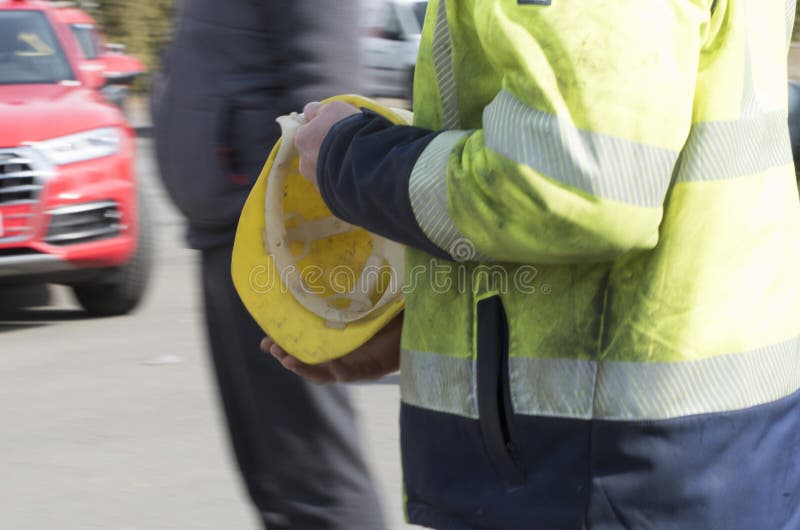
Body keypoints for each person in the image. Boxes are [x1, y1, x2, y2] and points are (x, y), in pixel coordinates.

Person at [262, 0, 800, 528]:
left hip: (596, 466)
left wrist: (350, 161)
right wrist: (425, 326)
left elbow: (581, 181)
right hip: (674, 450)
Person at [150, 2, 385, 529]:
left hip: (272, 245)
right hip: (225, 234)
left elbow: (327, 91)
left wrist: (301, 241)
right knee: (275, 477)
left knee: (313, 479)